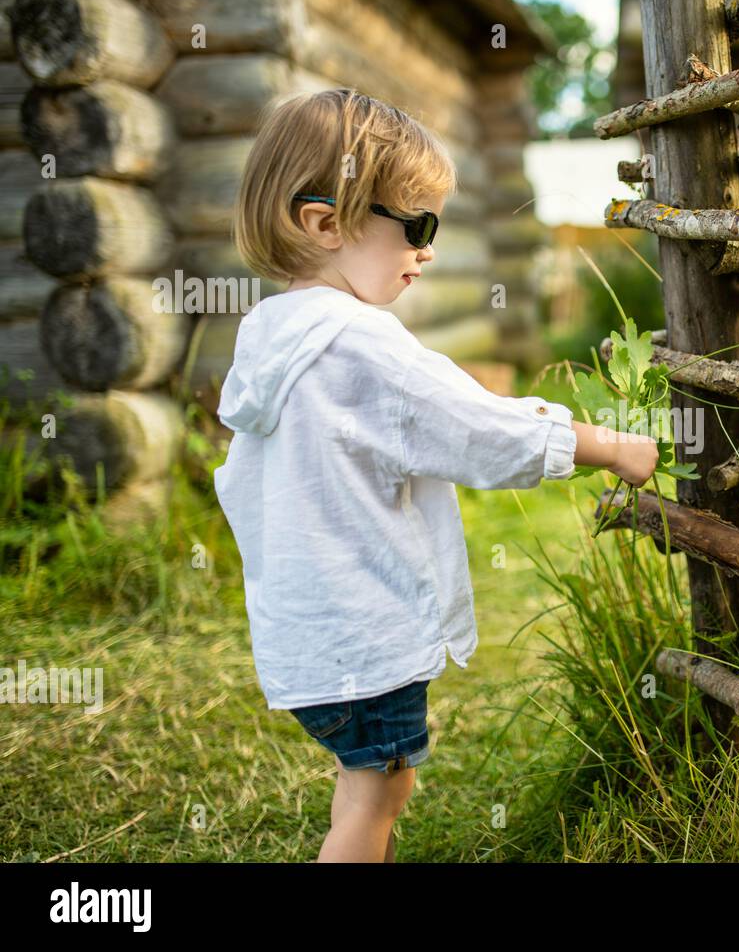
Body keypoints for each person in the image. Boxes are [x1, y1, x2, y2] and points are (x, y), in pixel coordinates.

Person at [213, 88, 660, 862]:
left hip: (308, 638)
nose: (428, 251)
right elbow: (475, 428)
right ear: (322, 223)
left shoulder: (270, 338)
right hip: (362, 634)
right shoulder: (356, 342)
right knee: (375, 797)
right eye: (415, 226)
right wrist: (607, 445)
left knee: (369, 784)